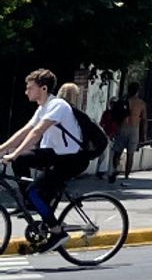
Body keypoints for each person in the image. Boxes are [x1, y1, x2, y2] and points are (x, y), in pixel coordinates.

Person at [0, 69, 91, 251]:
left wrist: (14, 153)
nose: (26, 91)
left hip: (71, 159)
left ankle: (57, 232)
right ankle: (31, 203)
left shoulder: (57, 105)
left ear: (43, 88)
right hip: (55, 154)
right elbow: (25, 130)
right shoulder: (43, 107)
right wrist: (2, 149)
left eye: (30, 88)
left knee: (33, 191)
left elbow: (37, 132)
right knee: (21, 161)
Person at [119, 82, 146, 182]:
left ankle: (114, 169)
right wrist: (144, 133)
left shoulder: (124, 101)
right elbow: (144, 119)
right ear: (137, 91)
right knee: (130, 154)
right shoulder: (141, 103)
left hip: (123, 127)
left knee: (117, 151)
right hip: (134, 128)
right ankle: (126, 175)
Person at [95, 95, 125, 180]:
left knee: (112, 155)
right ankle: (102, 171)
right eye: (112, 103)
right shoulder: (107, 113)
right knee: (105, 154)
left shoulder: (118, 114)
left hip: (114, 136)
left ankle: (110, 171)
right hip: (107, 135)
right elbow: (102, 124)